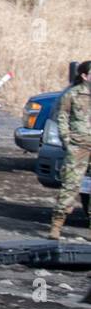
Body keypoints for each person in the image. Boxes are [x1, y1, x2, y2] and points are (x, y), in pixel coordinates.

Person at [49, 60, 91, 239]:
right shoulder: (73, 94)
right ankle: (57, 225)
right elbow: (62, 117)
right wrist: (66, 140)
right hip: (78, 146)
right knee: (70, 185)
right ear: (84, 76)